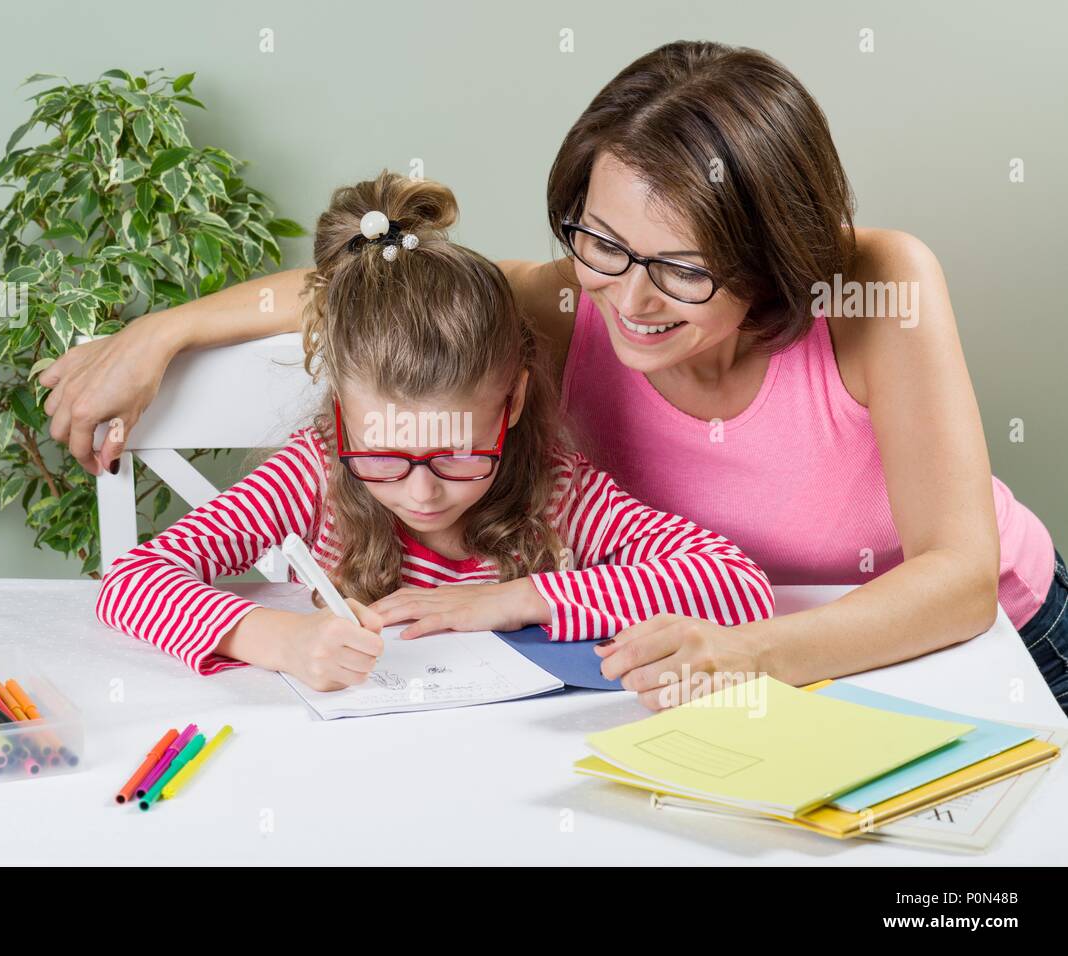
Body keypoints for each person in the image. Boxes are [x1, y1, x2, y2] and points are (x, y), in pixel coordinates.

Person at [52, 42, 1064, 713]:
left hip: (972, 646)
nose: (629, 298)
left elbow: (956, 579)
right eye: (601, 242)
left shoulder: (878, 286)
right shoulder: (564, 298)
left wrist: (748, 656)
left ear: (776, 256)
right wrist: (162, 331)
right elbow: (375, 277)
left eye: (683, 266)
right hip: (709, 657)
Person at [94, 172, 774, 693]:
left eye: (455, 455)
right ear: (340, 419)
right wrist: (276, 640)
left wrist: (506, 601)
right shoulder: (319, 470)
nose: (421, 492)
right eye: (384, 457)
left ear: (513, 402)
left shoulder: (553, 488)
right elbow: (130, 580)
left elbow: (735, 585)